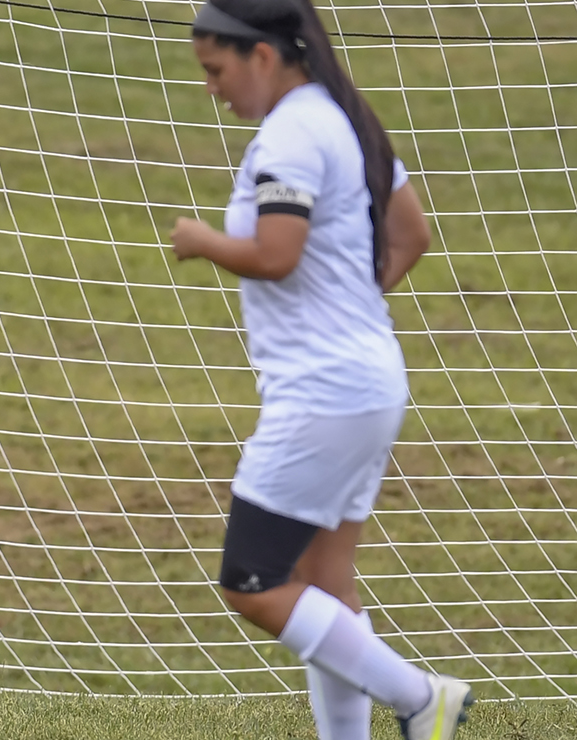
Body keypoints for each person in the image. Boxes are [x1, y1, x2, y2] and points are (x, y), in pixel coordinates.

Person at [170, 1, 469, 738]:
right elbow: (412, 233)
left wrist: (203, 240)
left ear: (262, 56)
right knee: (325, 589)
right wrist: (346, 308)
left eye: (216, 69)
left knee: (252, 582)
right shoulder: (343, 119)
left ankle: (419, 698)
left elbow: (276, 254)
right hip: (368, 382)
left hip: (324, 397)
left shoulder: (292, 136)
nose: (212, 87)